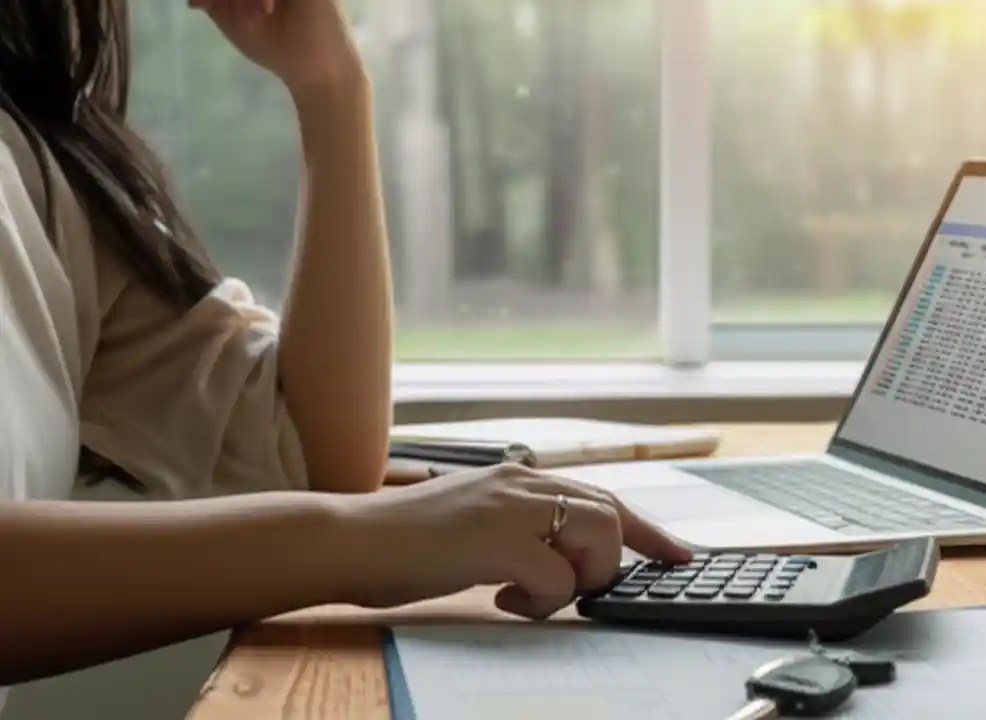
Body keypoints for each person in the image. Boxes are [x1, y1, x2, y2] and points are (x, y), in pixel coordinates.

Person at [0, 0, 689, 700]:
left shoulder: (38, 165)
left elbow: (314, 456)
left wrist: (330, 86)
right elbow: (337, 502)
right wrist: (364, 540)